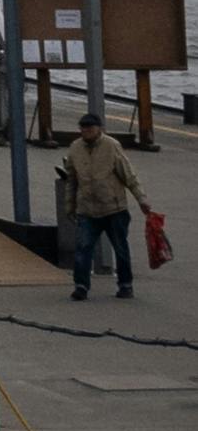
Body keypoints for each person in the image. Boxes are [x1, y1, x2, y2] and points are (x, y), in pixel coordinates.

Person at [61, 106, 141, 302]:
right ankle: (81, 286)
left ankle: (125, 285)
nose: (85, 131)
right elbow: (71, 180)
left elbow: (128, 175)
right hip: (87, 208)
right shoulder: (75, 148)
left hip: (114, 208)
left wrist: (142, 198)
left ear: (99, 128)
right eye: (83, 127)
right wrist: (69, 205)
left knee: (120, 248)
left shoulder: (111, 146)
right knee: (82, 248)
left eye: (89, 127)